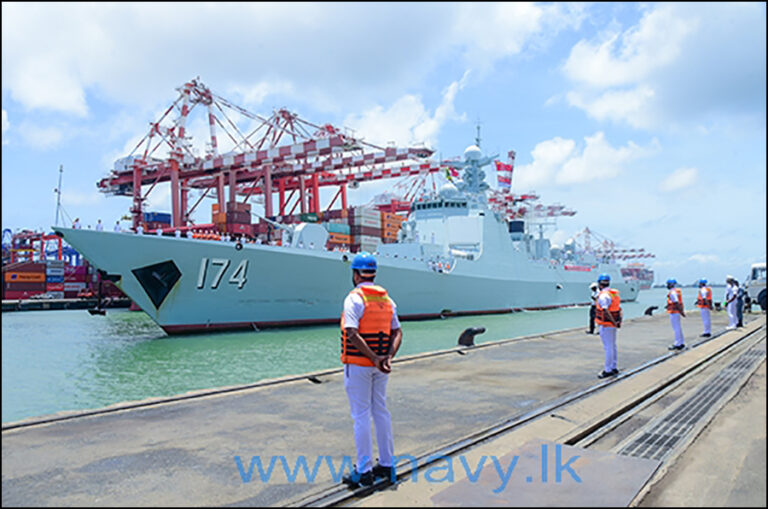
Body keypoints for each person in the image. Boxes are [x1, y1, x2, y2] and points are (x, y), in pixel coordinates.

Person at [340, 252, 403, 488]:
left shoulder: (354, 299)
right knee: (381, 412)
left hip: (358, 366)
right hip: (380, 367)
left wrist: (375, 358)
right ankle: (387, 465)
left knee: (360, 416)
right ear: (373, 274)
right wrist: (387, 357)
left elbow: (351, 333)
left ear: (356, 274)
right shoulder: (388, 300)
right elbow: (397, 332)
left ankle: (364, 471)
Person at [595, 273, 621, 378]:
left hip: (607, 324)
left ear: (599, 284)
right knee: (612, 346)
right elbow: (619, 309)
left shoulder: (603, 296)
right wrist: (618, 322)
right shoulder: (613, 294)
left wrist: (614, 323)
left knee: (608, 347)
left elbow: (605, 311)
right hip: (613, 324)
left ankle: (607, 370)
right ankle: (613, 367)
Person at [666, 278, 686, 350]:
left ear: (671, 284)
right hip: (676, 312)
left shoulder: (672, 292)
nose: (667, 285)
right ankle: (681, 342)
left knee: (676, 328)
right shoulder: (675, 291)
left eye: (668, 284)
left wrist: (681, 312)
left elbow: (676, 302)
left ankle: (677, 344)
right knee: (678, 328)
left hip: (674, 312)